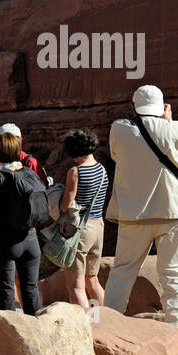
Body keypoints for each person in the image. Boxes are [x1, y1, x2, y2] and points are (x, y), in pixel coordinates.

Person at [104, 85, 178, 341]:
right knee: (174, 275)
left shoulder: (119, 128)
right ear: (163, 107)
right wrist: (170, 123)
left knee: (122, 271)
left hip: (133, 214)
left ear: (132, 107)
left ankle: (107, 329)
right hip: (172, 213)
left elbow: (114, 154)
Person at [0, 129, 43, 315]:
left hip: (6, 241)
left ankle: (9, 339)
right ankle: (39, 333)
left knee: (6, 294)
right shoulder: (30, 172)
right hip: (31, 239)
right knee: (31, 291)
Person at [57, 129, 109, 310]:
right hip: (98, 226)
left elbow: (66, 204)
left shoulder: (75, 171)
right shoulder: (102, 169)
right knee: (92, 281)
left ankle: (87, 326)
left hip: (81, 230)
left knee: (76, 285)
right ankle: (102, 322)